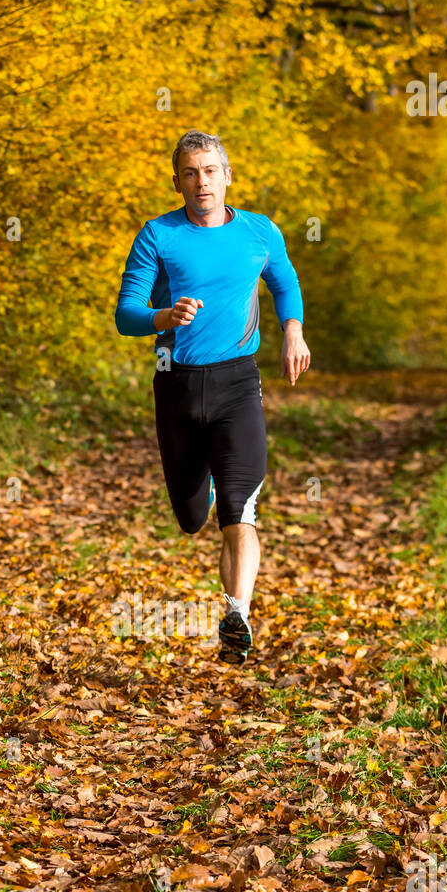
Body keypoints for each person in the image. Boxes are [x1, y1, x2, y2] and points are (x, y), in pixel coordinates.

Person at [115, 129, 311, 664]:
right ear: (177, 180)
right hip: (176, 383)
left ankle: (236, 614)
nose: (201, 182)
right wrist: (163, 315)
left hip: (238, 383)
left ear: (227, 176)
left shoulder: (259, 231)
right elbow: (125, 313)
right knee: (190, 516)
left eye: (209, 171)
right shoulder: (158, 235)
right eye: (190, 173)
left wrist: (293, 331)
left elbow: (285, 283)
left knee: (239, 509)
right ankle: (197, 492)